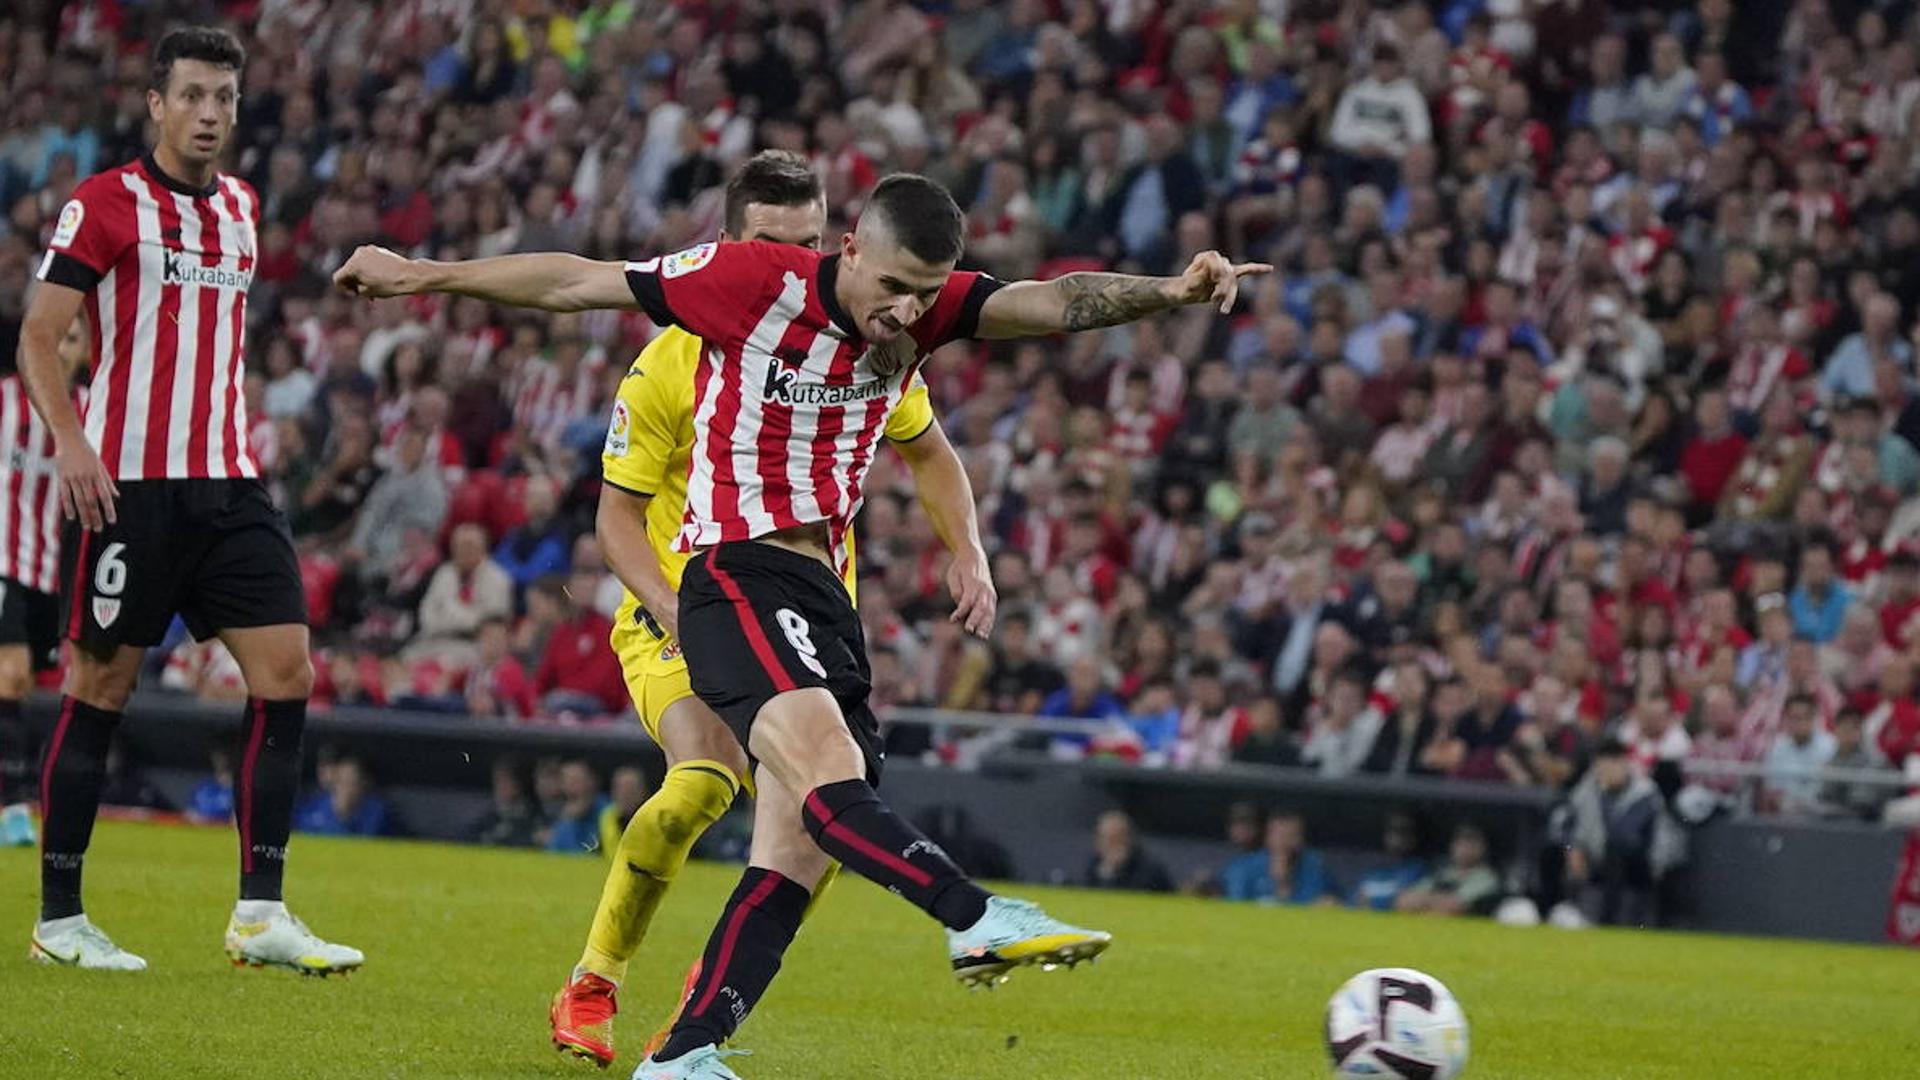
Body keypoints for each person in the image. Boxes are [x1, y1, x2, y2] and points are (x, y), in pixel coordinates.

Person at [336, 170, 1265, 1078]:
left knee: (803, 848)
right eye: (893, 288)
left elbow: (1054, 304)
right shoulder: (749, 285)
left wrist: (1172, 291)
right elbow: (580, 282)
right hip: (734, 570)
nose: (905, 312)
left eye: (925, 295)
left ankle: (683, 1055)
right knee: (779, 779)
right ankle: (973, 919)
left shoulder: (922, 318)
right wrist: (422, 276)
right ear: (849, 250)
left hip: (825, 597)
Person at [534, 152, 995, 1066]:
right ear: (729, 246)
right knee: (704, 781)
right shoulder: (668, 362)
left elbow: (931, 449)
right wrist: (671, 611)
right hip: (689, 601)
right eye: (766, 246)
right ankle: (595, 980)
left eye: (806, 245)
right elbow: (615, 517)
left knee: (819, 826)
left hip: (813, 616)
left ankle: (696, 1028)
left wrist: (967, 550)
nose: (789, 264)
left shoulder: (866, 339)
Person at [21, 27, 358, 974]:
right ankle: (59, 920)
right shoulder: (102, 205)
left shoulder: (244, 207)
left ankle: (260, 911)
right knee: (100, 687)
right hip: (129, 488)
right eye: (195, 96)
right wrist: (73, 439)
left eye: (226, 97)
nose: (212, 113)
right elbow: (40, 337)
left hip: (230, 483)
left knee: (287, 672)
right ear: (157, 105)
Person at [0, 310, 87, 847]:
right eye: (57, 335)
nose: (62, 348)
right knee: (9, 676)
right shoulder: (4, 400)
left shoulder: (89, 414)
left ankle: (12, 798)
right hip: (3, 559)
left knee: (25, 688)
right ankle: (13, 808)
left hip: (51, 572)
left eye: (73, 339)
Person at [1218, 810, 1341, 905]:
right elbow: (1236, 904)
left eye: (1291, 836)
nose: (1285, 842)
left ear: (1301, 840)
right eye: (1280, 835)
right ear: (1268, 837)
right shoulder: (1244, 867)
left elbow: (1319, 903)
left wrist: (1284, 883)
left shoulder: (1314, 867)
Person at [1395, 823, 1501, 916]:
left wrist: (1424, 903)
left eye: (1471, 842)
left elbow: (1454, 906)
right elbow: (1403, 902)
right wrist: (1434, 904)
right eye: (1460, 842)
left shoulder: (1487, 877)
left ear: (1483, 848)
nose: (1464, 848)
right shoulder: (1442, 873)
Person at [1081, 809, 1173, 893]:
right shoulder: (1093, 866)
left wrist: (1116, 872)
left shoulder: (1149, 870)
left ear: (1128, 839)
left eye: (1116, 838)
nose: (1110, 844)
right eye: (1104, 838)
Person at [1352, 811, 1428, 912]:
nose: (1398, 836)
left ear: (1414, 837)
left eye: (1404, 830)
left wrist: (1374, 902)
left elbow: (1407, 901)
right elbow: (1352, 900)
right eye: (1392, 829)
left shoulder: (1420, 870)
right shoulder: (1373, 872)